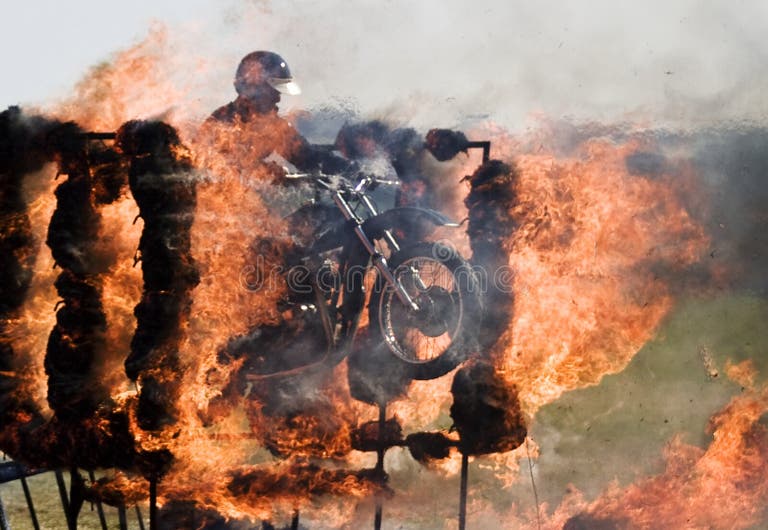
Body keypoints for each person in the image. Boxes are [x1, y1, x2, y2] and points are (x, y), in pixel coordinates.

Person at [207, 50, 346, 177]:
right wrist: (265, 171)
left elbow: (305, 155)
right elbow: (220, 166)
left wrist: (351, 171)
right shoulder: (222, 123)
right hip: (212, 202)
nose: (278, 98)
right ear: (256, 89)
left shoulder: (273, 126)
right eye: (273, 91)